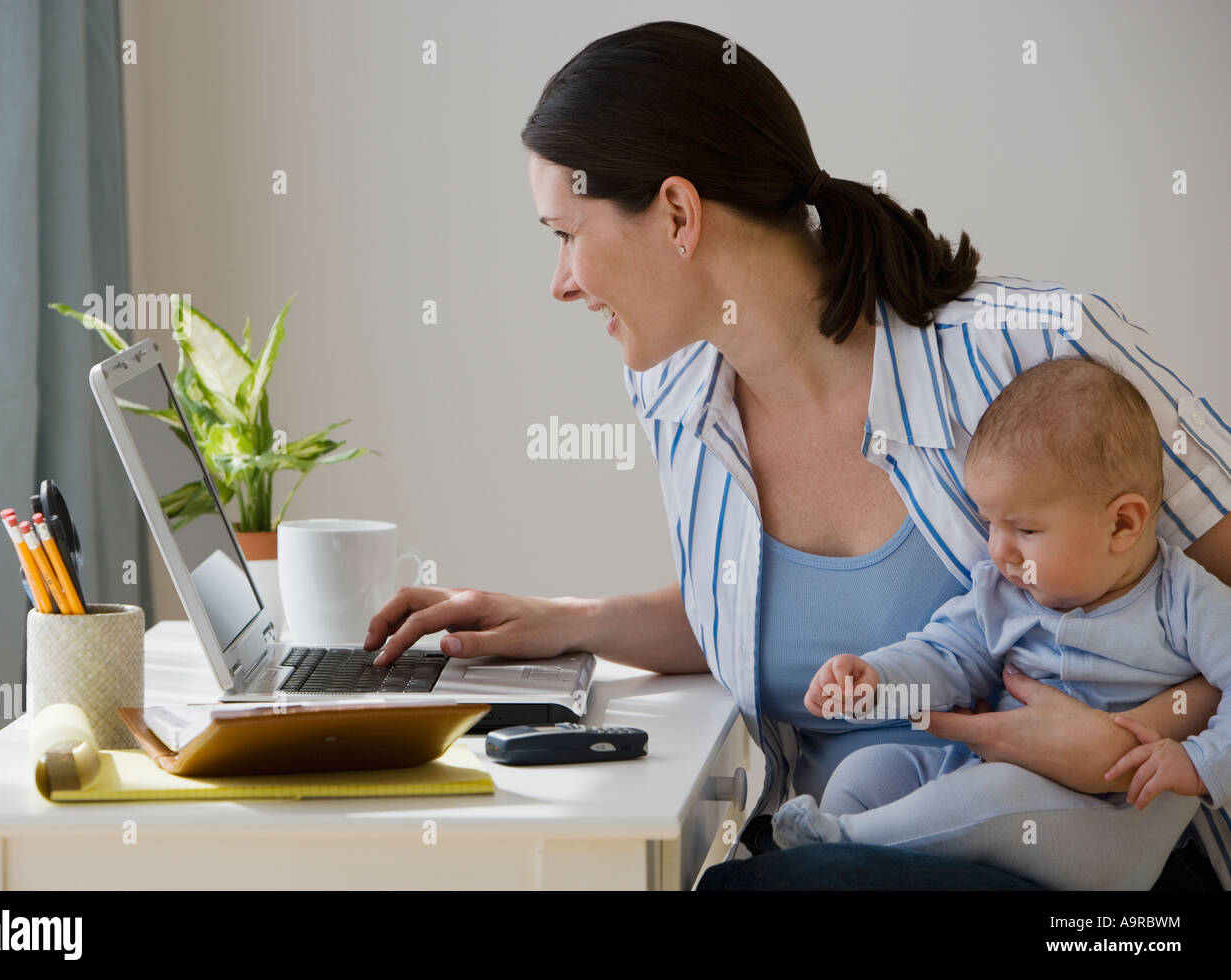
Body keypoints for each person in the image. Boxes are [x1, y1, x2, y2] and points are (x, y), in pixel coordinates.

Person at [363, 20, 1231, 889]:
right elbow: (763, 613)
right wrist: (569, 624)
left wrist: (1138, 736)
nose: (560, 282)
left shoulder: (1039, 353)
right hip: (852, 844)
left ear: (676, 212)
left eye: (564, 233)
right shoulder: (677, 396)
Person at [770, 357, 1231, 889]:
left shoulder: (1182, 599)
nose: (999, 550)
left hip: (1110, 830)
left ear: (1122, 524)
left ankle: (837, 849)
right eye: (990, 524)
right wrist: (876, 678)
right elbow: (945, 654)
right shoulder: (1005, 592)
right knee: (867, 770)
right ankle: (845, 861)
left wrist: (1202, 761)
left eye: (1026, 529)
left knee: (992, 798)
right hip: (986, 785)